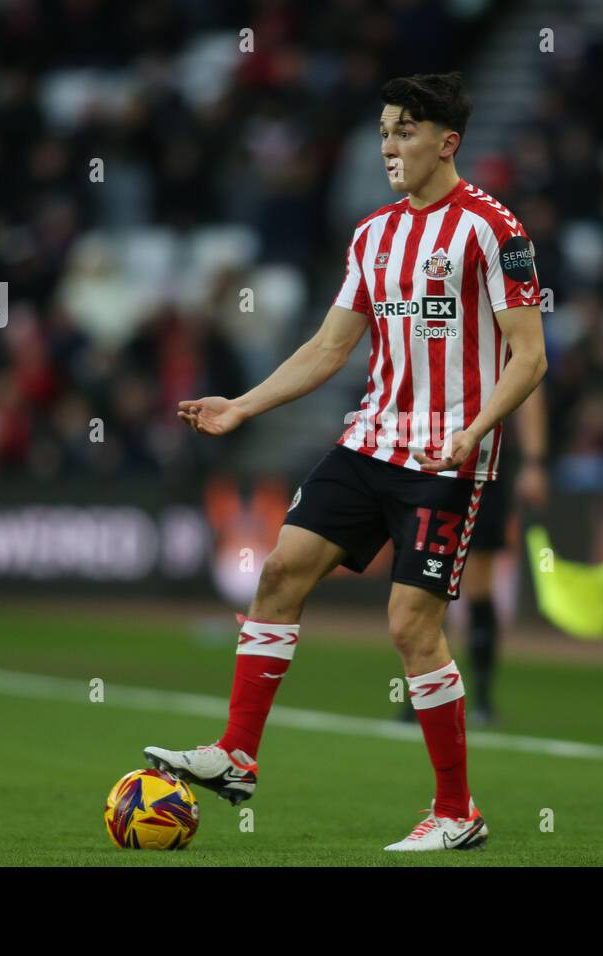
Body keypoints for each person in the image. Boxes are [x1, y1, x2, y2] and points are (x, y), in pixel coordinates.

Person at [144, 72, 546, 851]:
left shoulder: (495, 233)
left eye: (404, 130)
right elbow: (331, 347)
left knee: (411, 629)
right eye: (385, 130)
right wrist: (243, 406)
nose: (389, 144)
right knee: (280, 573)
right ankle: (236, 755)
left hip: (446, 456)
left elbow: (529, 359)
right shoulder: (374, 235)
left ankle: (458, 813)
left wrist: (478, 431)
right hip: (369, 441)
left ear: (446, 141)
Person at [398, 382, 549, 726]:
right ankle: (424, 694)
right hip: (428, 454)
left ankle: (481, 699)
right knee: (422, 580)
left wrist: (534, 462)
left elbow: (530, 390)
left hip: (485, 462)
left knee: (479, 581)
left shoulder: (502, 331)